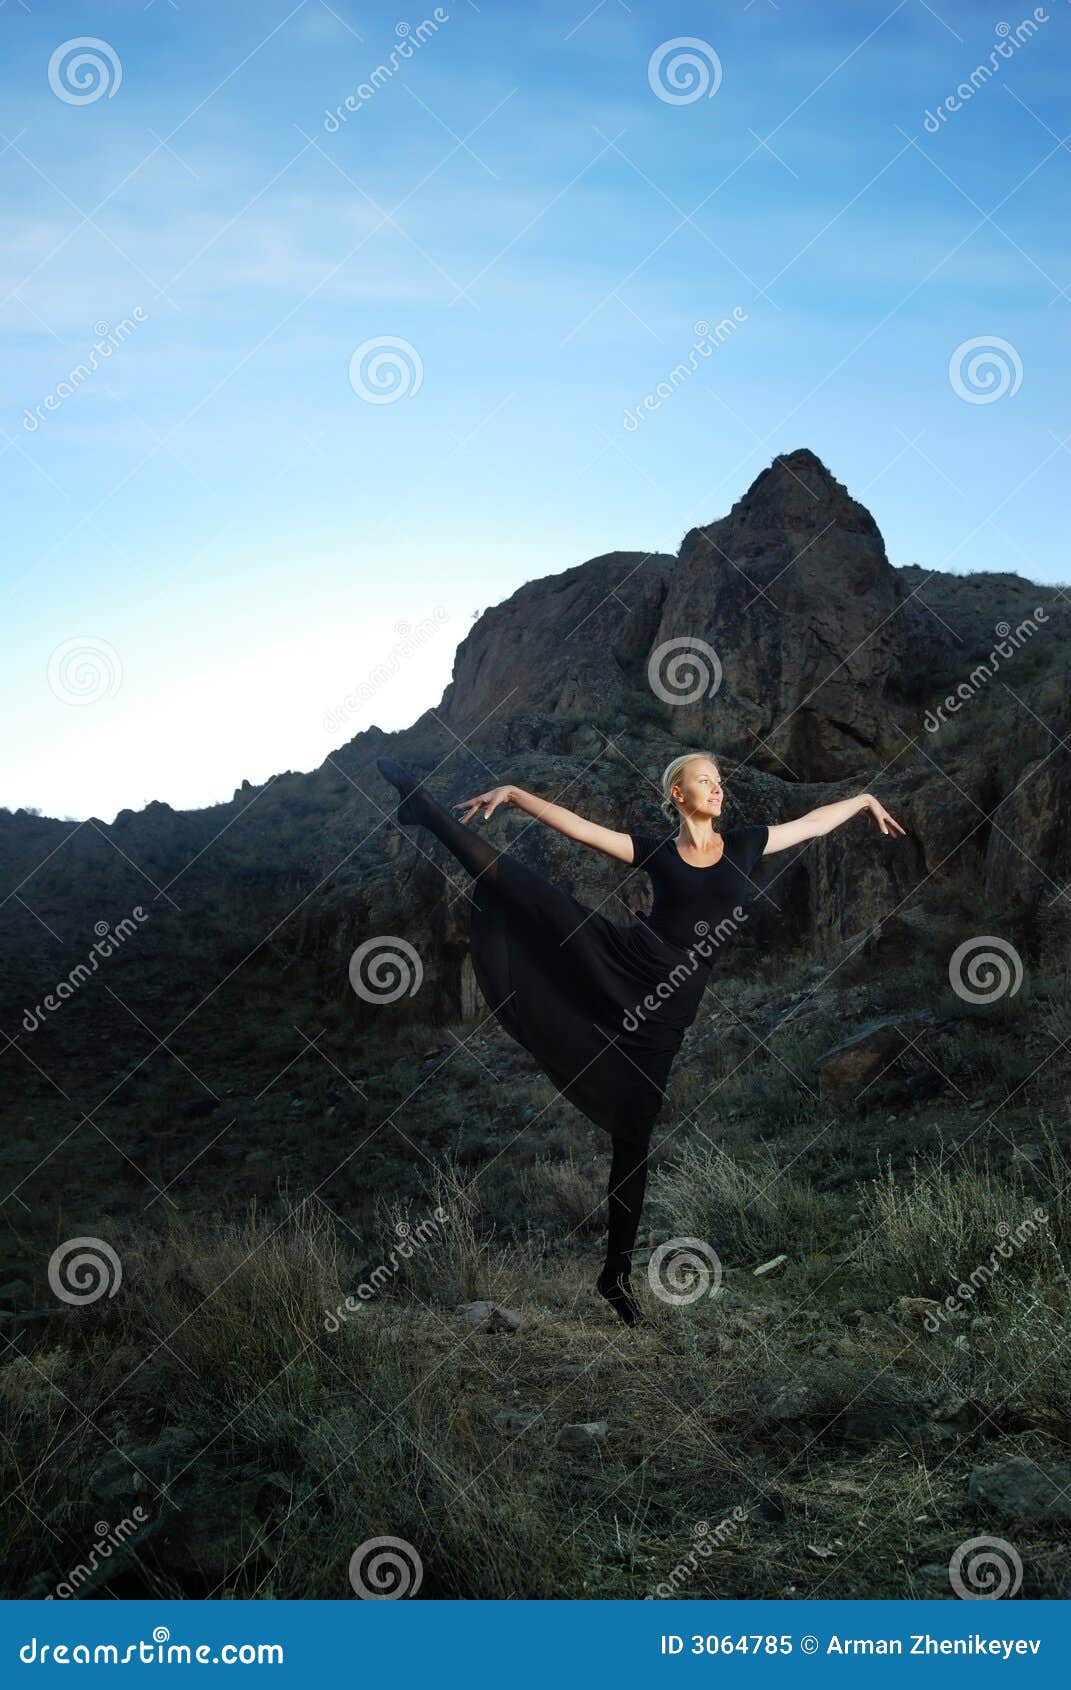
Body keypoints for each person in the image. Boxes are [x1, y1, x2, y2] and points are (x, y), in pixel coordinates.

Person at [376, 751, 905, 1325]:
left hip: (666, 1015)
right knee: (540, 901)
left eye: (719, 782)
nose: (718, 788)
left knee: (635, 1136)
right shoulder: (659, 852)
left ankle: (615, 1276)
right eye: (706, 781)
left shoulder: (747, 844)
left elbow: (810, 823)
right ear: (678, 794)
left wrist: (863, 801)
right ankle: (423, 808)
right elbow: (582, 831)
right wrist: (517, 794)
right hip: (625, 964)